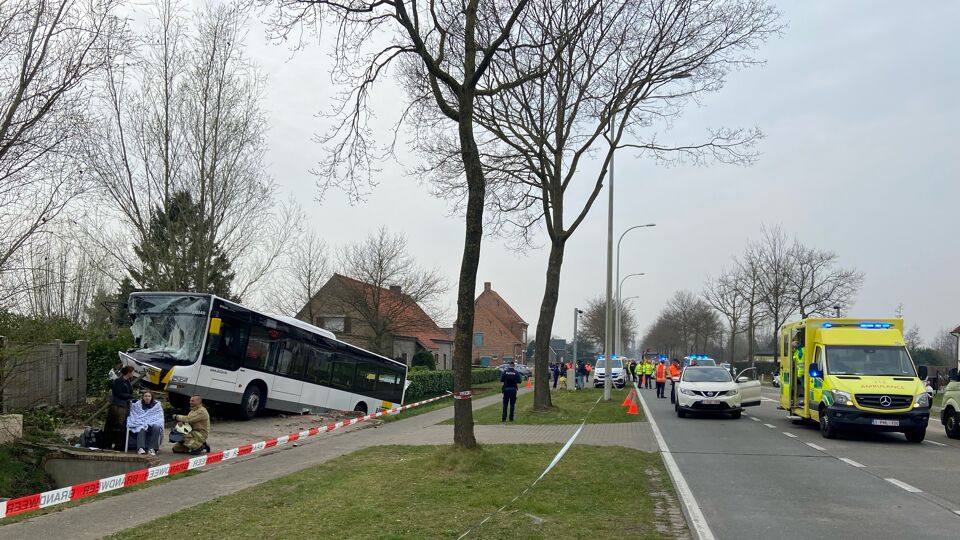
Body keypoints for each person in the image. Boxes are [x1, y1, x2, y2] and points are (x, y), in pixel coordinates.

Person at [105, 366, 135, 450]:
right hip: (118, 405)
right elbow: (118, 393)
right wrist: (130, 396)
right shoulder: (118, 381)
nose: (133, 373)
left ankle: (119, 444)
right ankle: (111, 443)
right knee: (117, 425)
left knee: (122, 425)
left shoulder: (128, 381)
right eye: (132, 372)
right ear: (128, 372)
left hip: (124, 405)